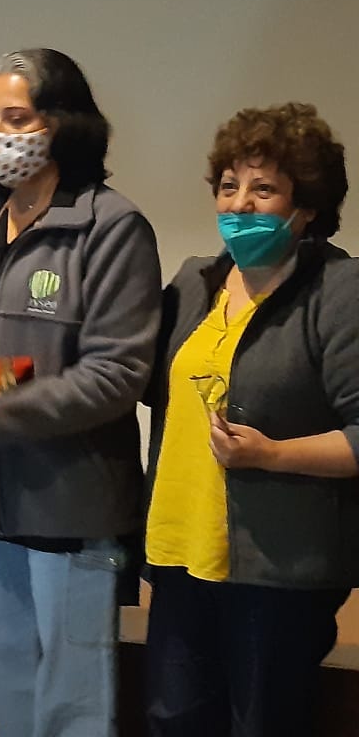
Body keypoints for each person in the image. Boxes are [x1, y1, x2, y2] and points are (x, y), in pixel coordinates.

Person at [0, 49, 161, 737]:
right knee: (8, 686)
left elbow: (117, 375)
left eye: (16, 118)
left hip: (70, 502)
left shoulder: (111, 227)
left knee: (74, 702)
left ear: (62, 124)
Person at [143, 102, 359, 737]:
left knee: (262, 723)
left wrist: (273, 455)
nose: (240, 204)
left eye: (264, 188)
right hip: (181, 552)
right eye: (229, 186)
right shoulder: (193, 280)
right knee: (172, 719)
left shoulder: (340, 291)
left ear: (308, 206)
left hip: (278, 570)